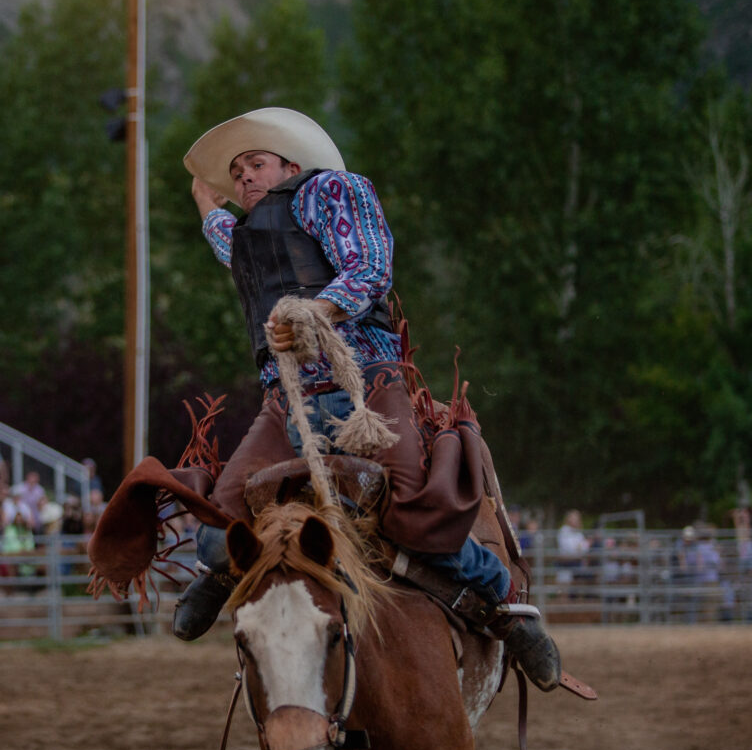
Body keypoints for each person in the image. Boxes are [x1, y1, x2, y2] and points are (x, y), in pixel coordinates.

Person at [166, 107, 559, 690]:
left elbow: (369, 266)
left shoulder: (331, 189)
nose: (244, 176)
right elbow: (231, 245)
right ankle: (223, 572)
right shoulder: (248, 233)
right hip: (287, 402)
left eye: (256, 164)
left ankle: (505, 601)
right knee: (217, 529)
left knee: (414, 518)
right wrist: (207, 207)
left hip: (365, 387)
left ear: (291, 165)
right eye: (236, 171)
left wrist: (315, 311)